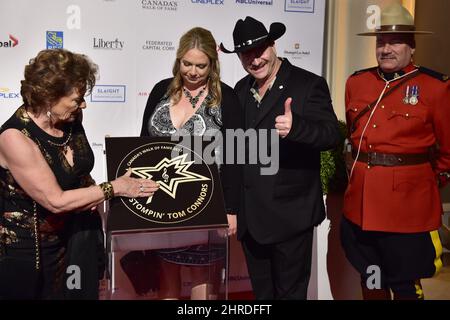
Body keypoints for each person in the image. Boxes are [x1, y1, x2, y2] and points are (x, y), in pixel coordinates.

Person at [0, 48, 159, 300]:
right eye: (76, 98)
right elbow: (56, 200)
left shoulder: (71, 119)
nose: (83, 104)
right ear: (49, 96)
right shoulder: (15, 138)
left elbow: (79, 173)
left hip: (77, 240)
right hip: (33, 255)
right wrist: (115, 187)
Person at [220, 16, 340, 299]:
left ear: (272, 45)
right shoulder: (239, 90)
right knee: (263, 297)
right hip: (251, 222)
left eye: (259, 50)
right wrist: (232, 208)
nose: (255, 59)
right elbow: (235, 153)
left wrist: (297, 127)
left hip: (291, 218)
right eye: (246, 53)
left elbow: (331, 134)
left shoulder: (308, 84)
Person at [341, 3, 450, 300]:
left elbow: (448, 152)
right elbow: (354, 138)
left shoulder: (435, 88)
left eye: (395, 41)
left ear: (412, 47)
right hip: (361, 206)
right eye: (381, 42)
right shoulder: (357, 82)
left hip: (407, 208)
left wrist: (424, 183)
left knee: (404, 284)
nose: (386, 49)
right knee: (371, 277)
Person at [137, 27, 242, 299]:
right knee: (166, 281)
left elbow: (235, 157)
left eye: (201, 65)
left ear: (213, 65)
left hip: (205, 205)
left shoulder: (227, 98)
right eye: (187, 64)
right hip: (161, 205)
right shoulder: (161, 90)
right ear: (178, 60)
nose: (193, 71)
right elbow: (142, 144)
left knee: (203, 287)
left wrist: (231, 209)